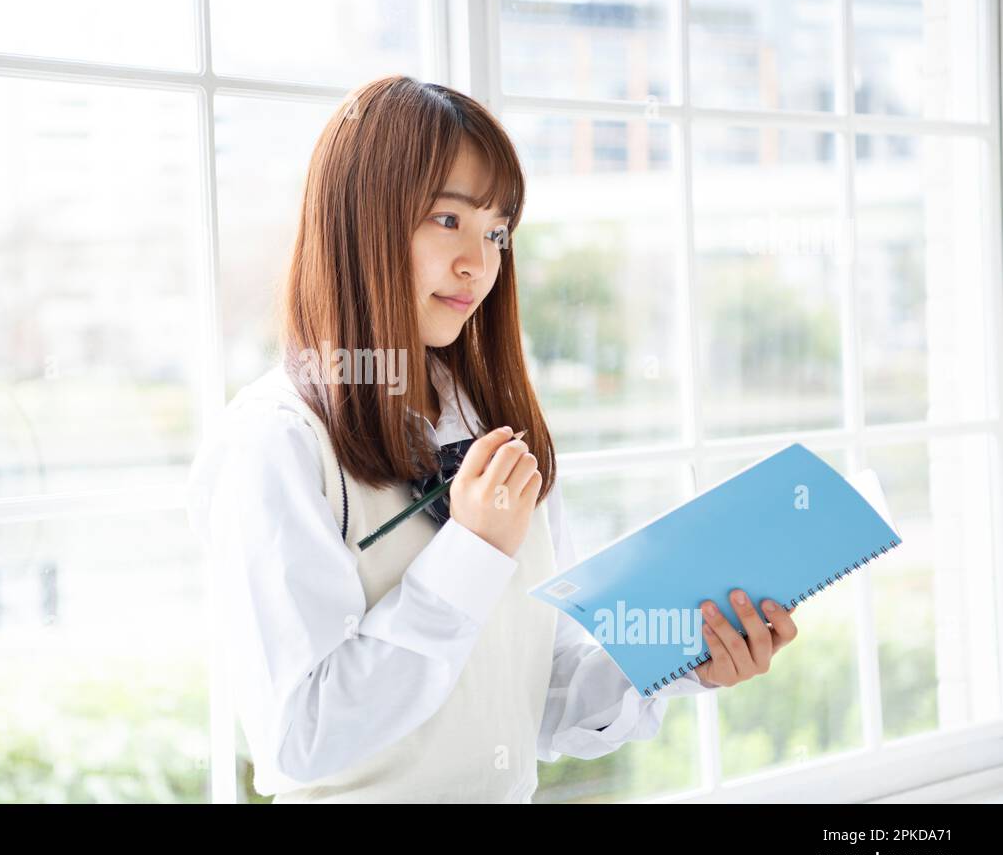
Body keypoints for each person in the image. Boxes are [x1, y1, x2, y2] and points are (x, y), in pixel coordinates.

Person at [186, 75, 797, 803]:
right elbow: (304, 734)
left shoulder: (493, 427)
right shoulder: (276, 443)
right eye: (448, 219)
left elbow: (536, 690)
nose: (478, 261)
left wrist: (675, 659)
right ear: (360, 220)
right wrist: (469, 554)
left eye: (497, 231)